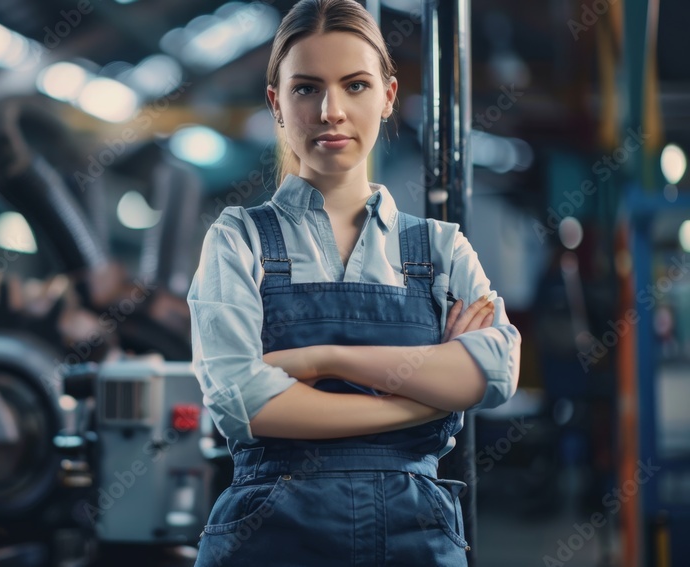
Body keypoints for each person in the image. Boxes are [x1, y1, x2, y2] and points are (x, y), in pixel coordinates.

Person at [187, 1, 522, 565]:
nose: (331, 110)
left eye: (356, 85)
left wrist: (322, 360)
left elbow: (495, 370)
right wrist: (423, 405)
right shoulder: (237, 239)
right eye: (306, 89)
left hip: (416, 536)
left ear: (389, 96)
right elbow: (244, 402)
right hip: (269, 537)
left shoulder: (441, 247)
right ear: (276, 103)